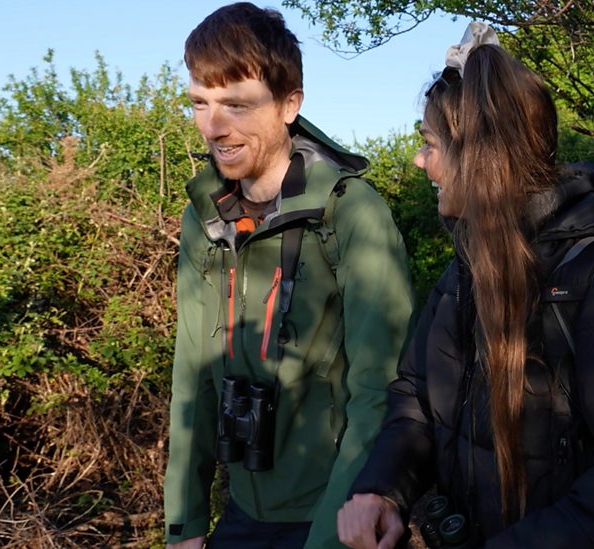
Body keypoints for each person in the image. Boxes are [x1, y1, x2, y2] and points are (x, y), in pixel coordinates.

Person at [336, 23, 594, 548]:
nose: (419, 161)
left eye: (429, 144)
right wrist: (381, 489)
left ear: (480, 158)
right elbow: (415, 397)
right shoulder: (467, 270)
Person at [163, 4, 415, 548]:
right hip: (241, 511)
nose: (213, 127)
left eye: (235, 104)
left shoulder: (350, 211)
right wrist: (182, 524)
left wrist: (329, 537)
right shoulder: (204, 217)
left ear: (289, 104)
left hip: (331, 514)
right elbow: (193, 373)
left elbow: (379, 389)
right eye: (200, 104)